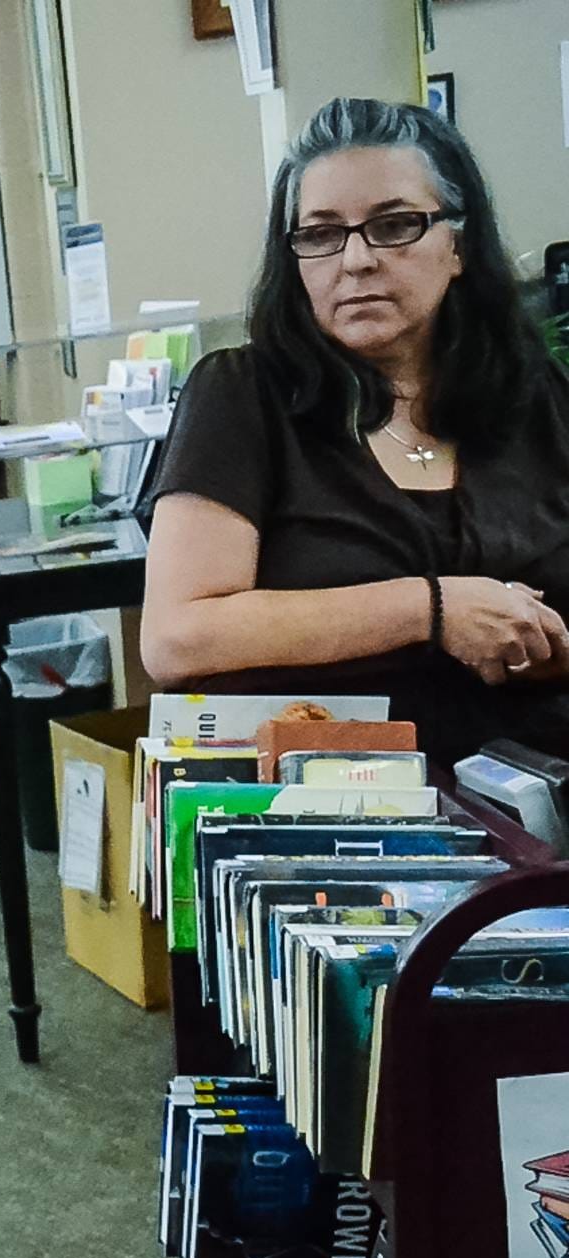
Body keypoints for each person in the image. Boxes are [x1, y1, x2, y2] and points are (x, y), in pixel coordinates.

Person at [142, 96, 569, 767]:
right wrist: (433, 609)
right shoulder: (243, 396)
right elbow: (177, 638)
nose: (356, 260)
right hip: (326, 806)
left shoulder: (537, 395)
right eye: (321, 234)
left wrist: (545, 646)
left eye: (394, 225)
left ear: (457, 244)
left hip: (539, 792)